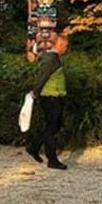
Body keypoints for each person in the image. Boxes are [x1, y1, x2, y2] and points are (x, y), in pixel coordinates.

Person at [25, 31, 69, 170]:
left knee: (55, 126)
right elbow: (41, 77)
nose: (67, 48)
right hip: (50, 97)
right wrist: (35, 92)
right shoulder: (50, 59)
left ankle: (34, 146)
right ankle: (52, 159)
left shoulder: (54, 57)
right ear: (59, 44)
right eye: (65, 45)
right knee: (51, 128)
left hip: (56, 96)